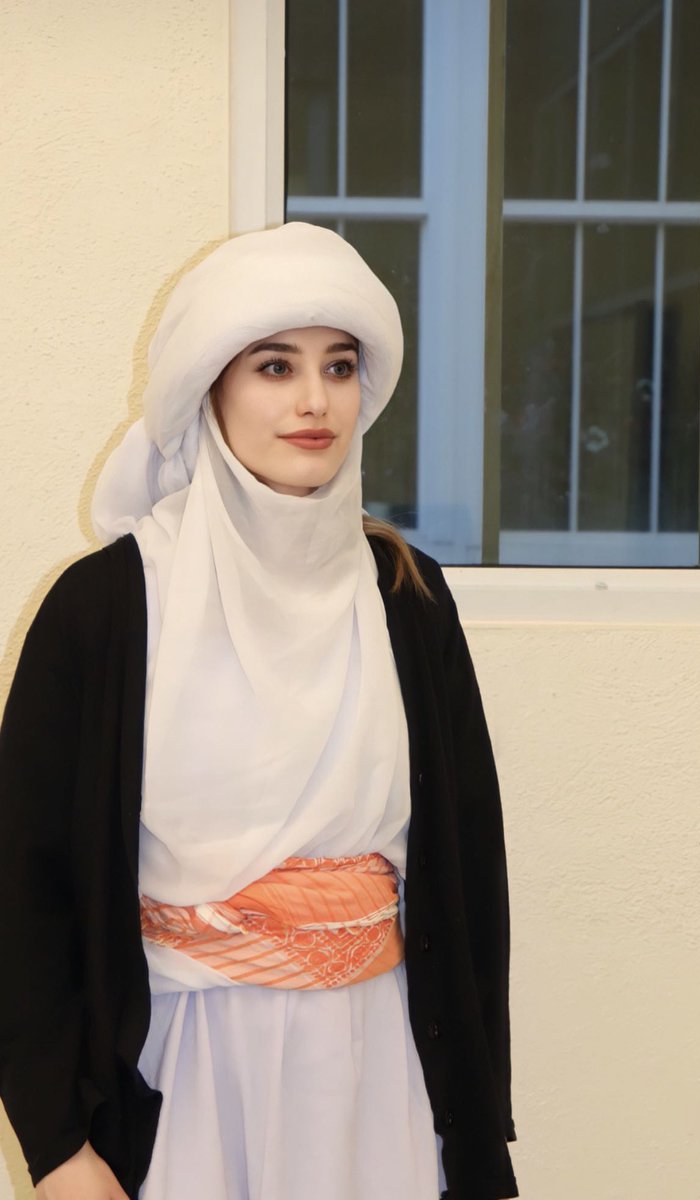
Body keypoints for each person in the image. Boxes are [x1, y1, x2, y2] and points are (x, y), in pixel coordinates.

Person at [0, 222, 517, 1200]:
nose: (314, 400)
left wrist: (475, 1128)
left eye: (339, 365)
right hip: (175, 1071)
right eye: (274, 366)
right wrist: (61, 1145)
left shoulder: (407, 598)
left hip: (376, 1066)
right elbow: (22, 891)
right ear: (211, 390)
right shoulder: (105, 608)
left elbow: (469, 869)